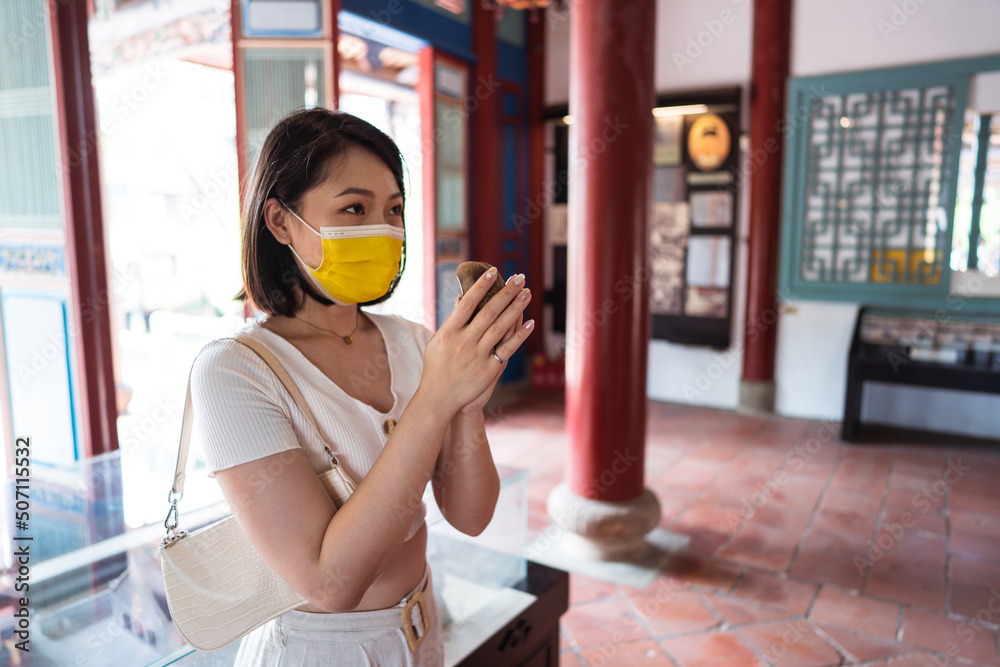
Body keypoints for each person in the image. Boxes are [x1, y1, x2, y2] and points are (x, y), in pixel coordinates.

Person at [188, 108, 534, 666]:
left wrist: (466, 404)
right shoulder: (234, 371)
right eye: (354, 208)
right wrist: (436, 398)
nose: (383, 227)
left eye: (393, 209)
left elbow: (472, 517)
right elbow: (329, 585)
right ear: (280, 222)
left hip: (420, 627)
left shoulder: (415, 343)